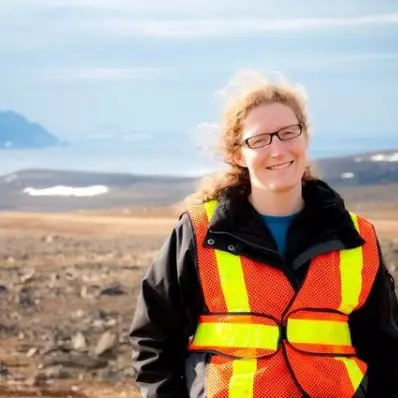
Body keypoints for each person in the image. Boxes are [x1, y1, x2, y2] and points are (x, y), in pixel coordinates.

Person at [129, 71, 398, 397]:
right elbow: (154, 340)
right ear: (237, 153)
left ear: (305, 138)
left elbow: (386, 350)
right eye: (259, 139)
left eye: (288, 133)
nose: (278, 149)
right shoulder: (199, 233)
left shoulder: (358, 238)